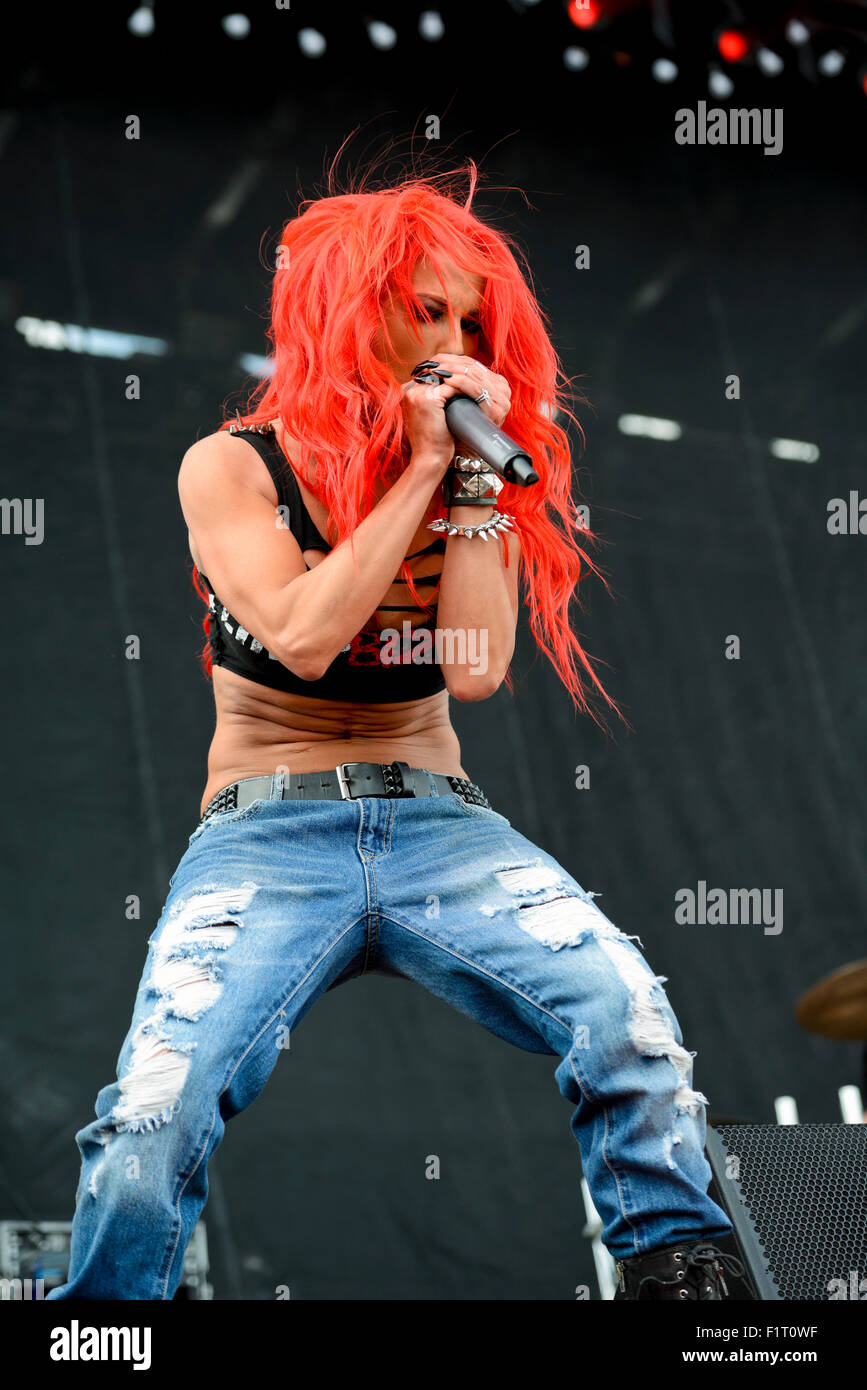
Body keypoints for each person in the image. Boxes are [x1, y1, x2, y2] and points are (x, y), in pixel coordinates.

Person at [47, 164, 745, 1302]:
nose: (458, 339)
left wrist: (467, 487)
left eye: (473, 317)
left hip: (439, 826)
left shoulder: (474, 480)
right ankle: (106, 1324)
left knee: (627, 1014)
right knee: (154, 1109)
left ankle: (689, 1292)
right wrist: (420, 468)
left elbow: (473, 671)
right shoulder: (233, 468)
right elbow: (304, 637)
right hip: (266, 834)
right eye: (429, 308)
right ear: (348, 305)